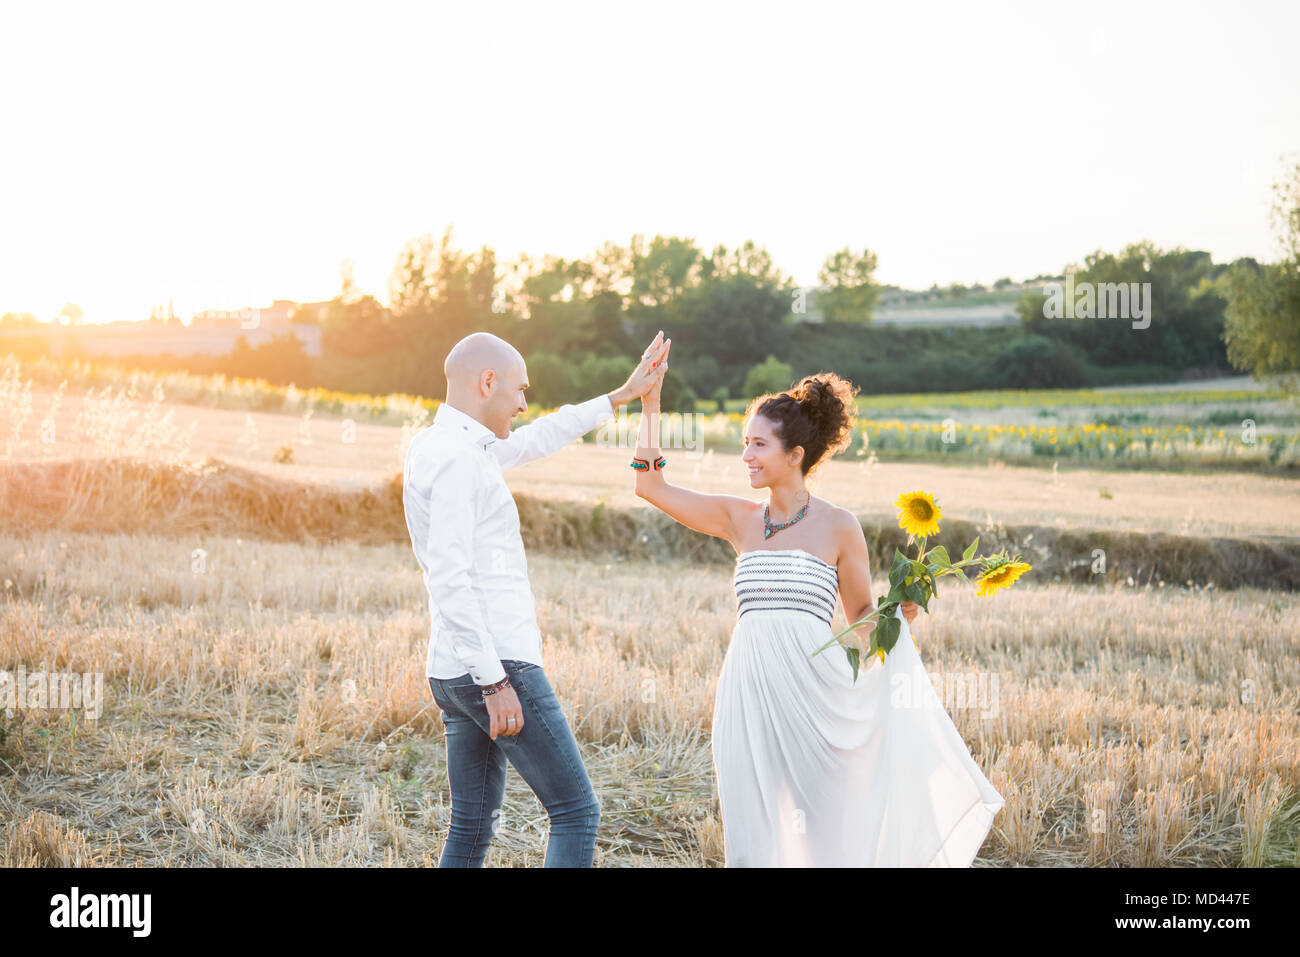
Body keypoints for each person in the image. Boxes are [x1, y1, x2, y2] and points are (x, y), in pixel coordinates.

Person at [632, 345, 1005, 866]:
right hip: (745, 695)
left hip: (816, 698)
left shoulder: (839, 526)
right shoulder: (737, 518)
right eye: (745, 443)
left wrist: (897, 613)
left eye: (759, 445)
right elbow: (649, 484)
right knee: (752, 841)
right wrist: (650, 407)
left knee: (823, 838)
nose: (747, 456)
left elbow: (863, 622)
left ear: (795, 454)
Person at [403, 329, 670, 867]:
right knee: (576, 811)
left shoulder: (450, 445)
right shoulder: (458, 459)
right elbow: (449, 578)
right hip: (495, 666)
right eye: (519, 391)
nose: (524, 404)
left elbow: (539, 437)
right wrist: (496, 681)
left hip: (452, 668)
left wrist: (620, 396)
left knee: (471, 827)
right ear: (486, 382)